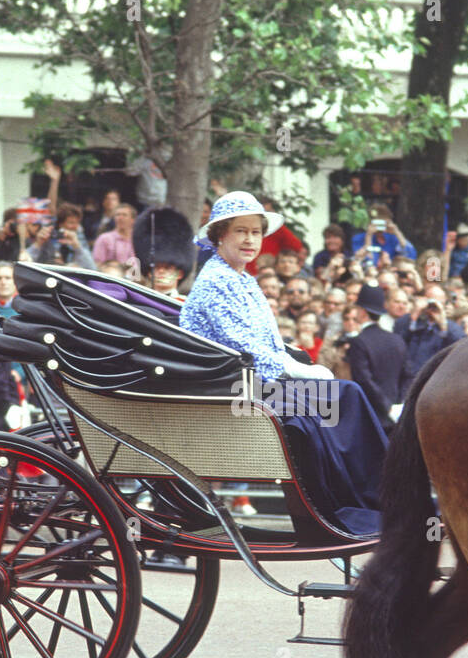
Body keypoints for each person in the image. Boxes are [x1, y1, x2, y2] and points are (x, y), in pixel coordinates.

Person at [181, 191, 388, 533]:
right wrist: (296, 369)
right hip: (232, 390)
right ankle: (347, 508)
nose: (250, 239)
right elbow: (241, 345)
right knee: (335, 400)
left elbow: (267, 341)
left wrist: (293, 361)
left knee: (346, 396)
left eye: (256, 232)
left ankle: (373, 502)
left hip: (252, 383)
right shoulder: (216, 280)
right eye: (240, 231)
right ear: (220, 235)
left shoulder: (243, 278)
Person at [345, 283, 409, 432]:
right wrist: (398, 405)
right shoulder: (397, 339)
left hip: (371, 415)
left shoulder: (359, 341)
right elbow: (408, 375)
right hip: (396, 416)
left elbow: (364, 380)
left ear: (362, 312)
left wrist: (387, 408)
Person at [133, 206, 195, 299]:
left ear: (179, 274)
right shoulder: (140, 299)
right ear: (149, 273)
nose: (161, 271)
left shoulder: (185, 303)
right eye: (156, 267)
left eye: (167, 268)